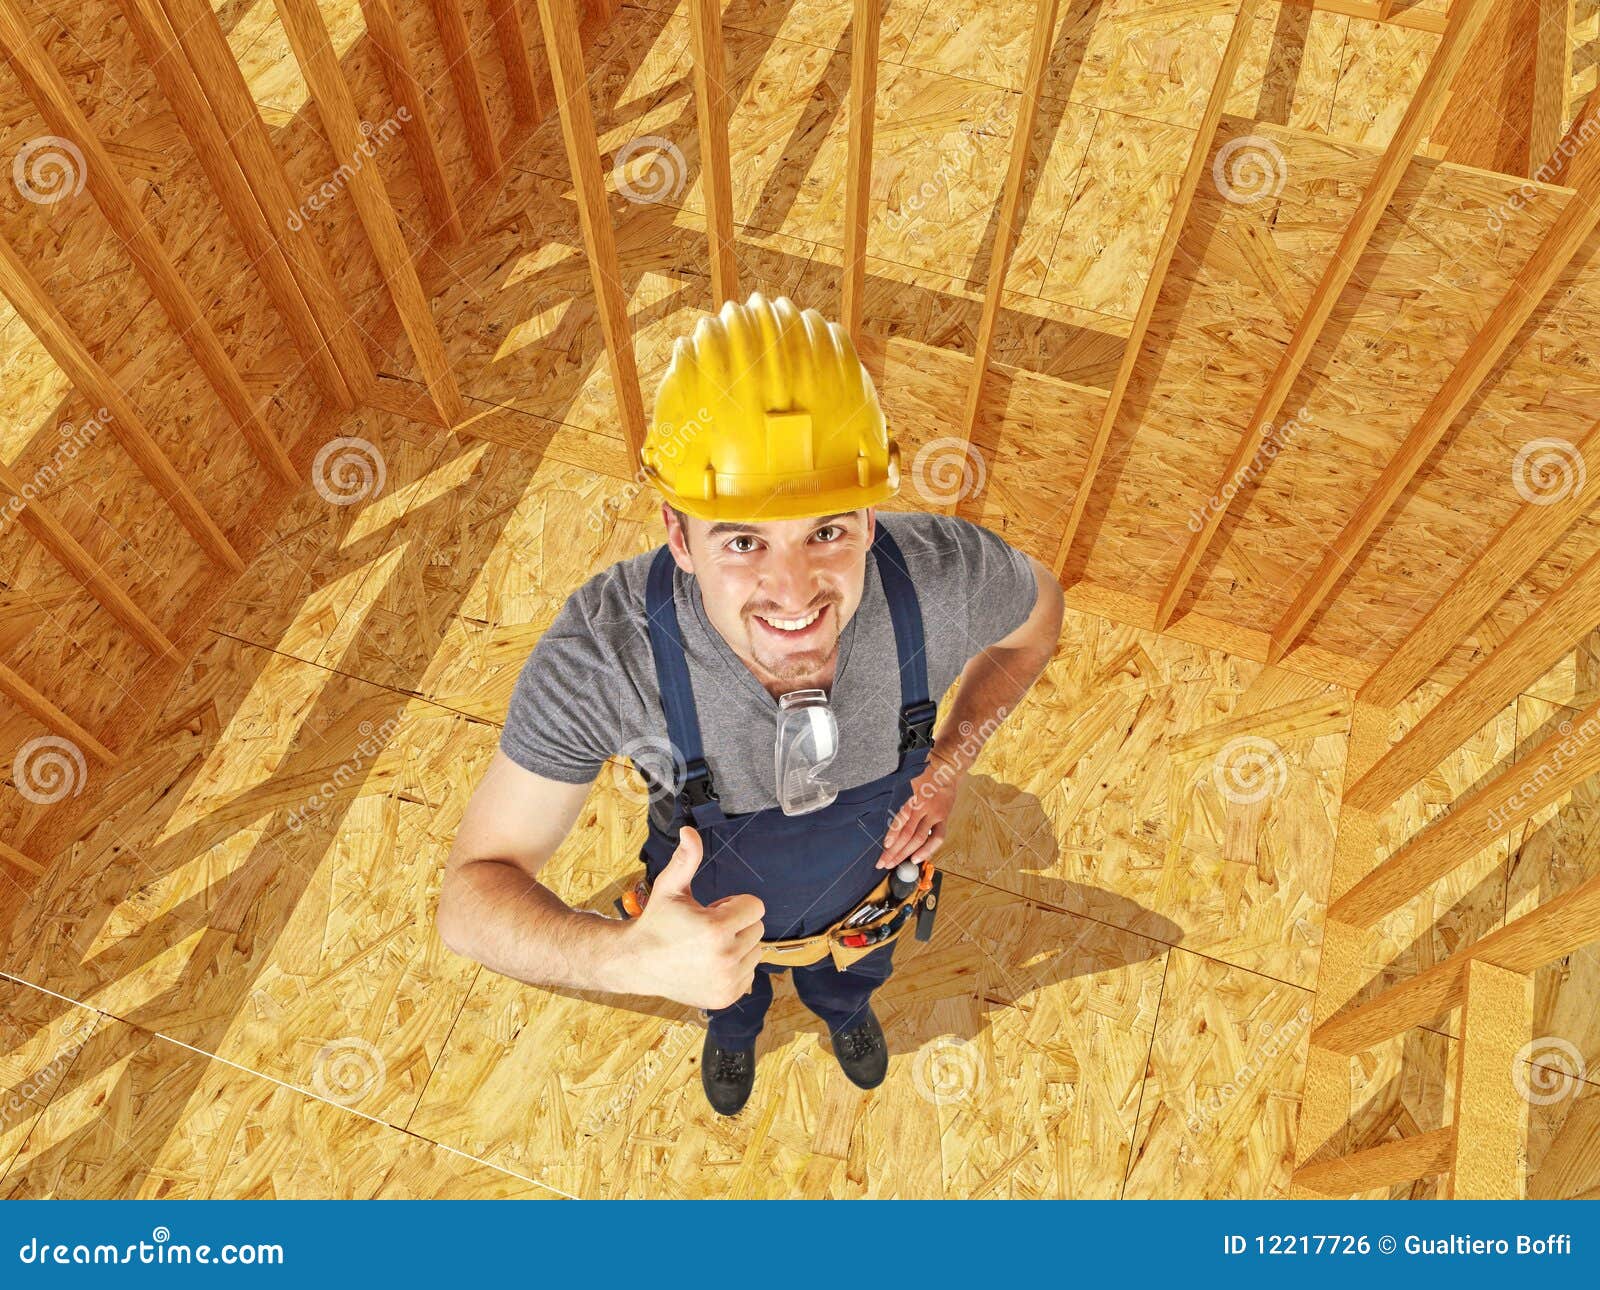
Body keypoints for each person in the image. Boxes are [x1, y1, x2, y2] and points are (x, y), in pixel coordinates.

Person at [438, 293, 1063, 1116]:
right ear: (678, 536)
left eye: (826, 532)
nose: (794, 593)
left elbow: (1038, 619)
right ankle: (734, 1034)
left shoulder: (943, 579)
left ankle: (845, 1014)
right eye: (742, 541)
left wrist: (949, 763)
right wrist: (628, 959)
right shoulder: (611, 650)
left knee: (854, 978)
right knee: (728, 995)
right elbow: (470, 899)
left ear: (869, 516)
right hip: (711, 921)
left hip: (865, 908)